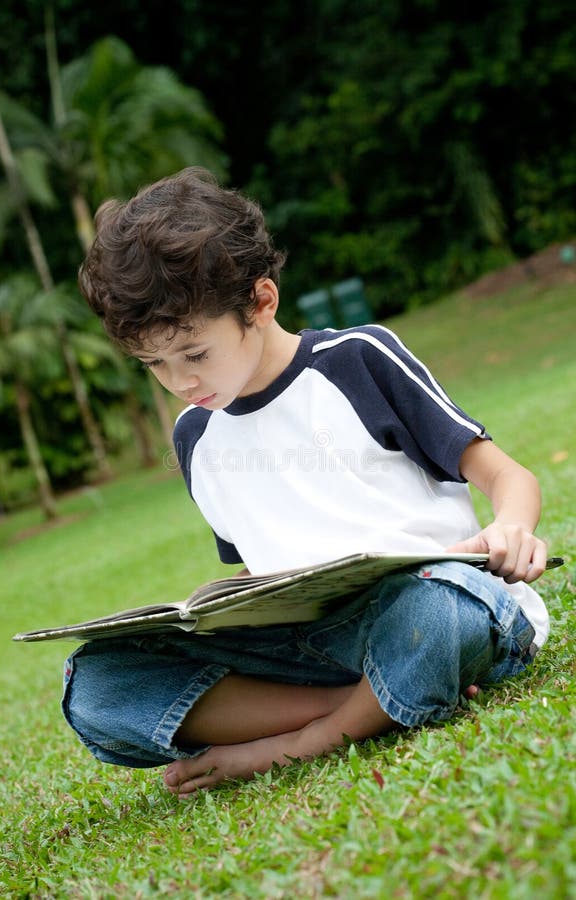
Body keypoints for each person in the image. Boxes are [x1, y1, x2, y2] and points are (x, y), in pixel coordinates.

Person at [67, 167, 549, 799]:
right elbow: (263, 570)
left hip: (432, 600)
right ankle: (371, 700)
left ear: (261, 303)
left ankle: (304, 741)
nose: (180, 382)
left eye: (194, 354)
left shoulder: (357, 360)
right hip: (312, 646)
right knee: (98, 683)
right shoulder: (195, 437)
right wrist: (215, 610)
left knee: (438, 610)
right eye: (153, 364)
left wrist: (511, 526)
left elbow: (506, 475)